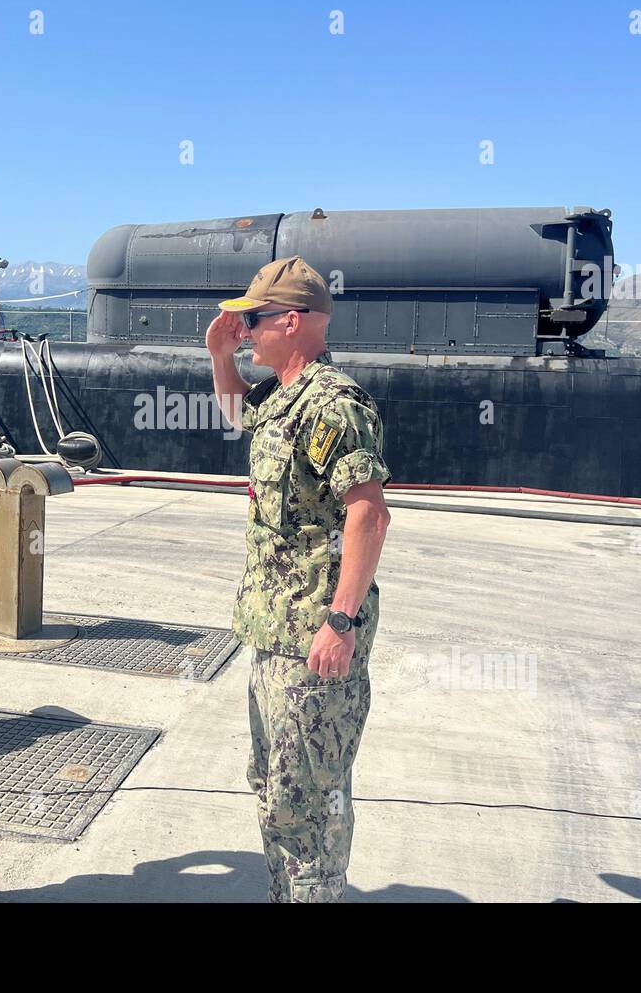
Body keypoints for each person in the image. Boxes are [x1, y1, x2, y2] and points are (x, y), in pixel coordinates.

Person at [206, 255, 393, 903]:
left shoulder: (333, 405)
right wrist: (219, 354)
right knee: (274, 787)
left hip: (316, 642)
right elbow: (238, 415)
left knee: (309, 801)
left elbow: (369, 511)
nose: (247, 330)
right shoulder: (282, 398)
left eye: (255, 320)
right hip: (274, 635)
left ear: (292, 320)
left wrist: (340, 620)